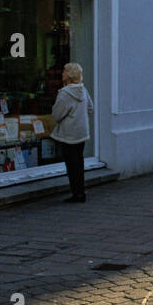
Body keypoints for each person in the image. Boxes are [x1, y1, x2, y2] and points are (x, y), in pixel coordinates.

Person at [51, 62, 94, 202]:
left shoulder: (65, 93)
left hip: (68, 133)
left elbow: (57, 115)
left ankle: (76, 193)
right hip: (81, 132)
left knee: (71, 164)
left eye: (64, 71)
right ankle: (81, 191)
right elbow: (90, 108)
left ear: (69, 75)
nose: (62, 73)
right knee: (79, 163)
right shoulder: (83, 89)